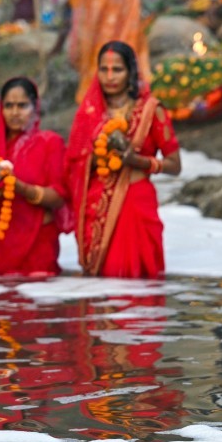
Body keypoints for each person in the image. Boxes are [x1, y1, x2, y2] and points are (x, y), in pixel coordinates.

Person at [66, 41, 182, 278]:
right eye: (104, 69)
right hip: (96, 206)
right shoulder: (88, 112)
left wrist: (138, 161)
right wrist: (95, 160)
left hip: (136, 202)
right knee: (101, 292)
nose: (110, 77)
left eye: (117, 70)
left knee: (138, 290)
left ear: (130, 72)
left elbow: (175, 165)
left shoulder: (151, 110)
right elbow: (72, 162)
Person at [0, 78, 68, 277]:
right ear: (0, 108)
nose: (14, 113)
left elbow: (58, 198)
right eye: (8, 106)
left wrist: (19, 187)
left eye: (22, 106)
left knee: (36, 307)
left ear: (35, 107)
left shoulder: (50, 143)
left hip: (36, 248)